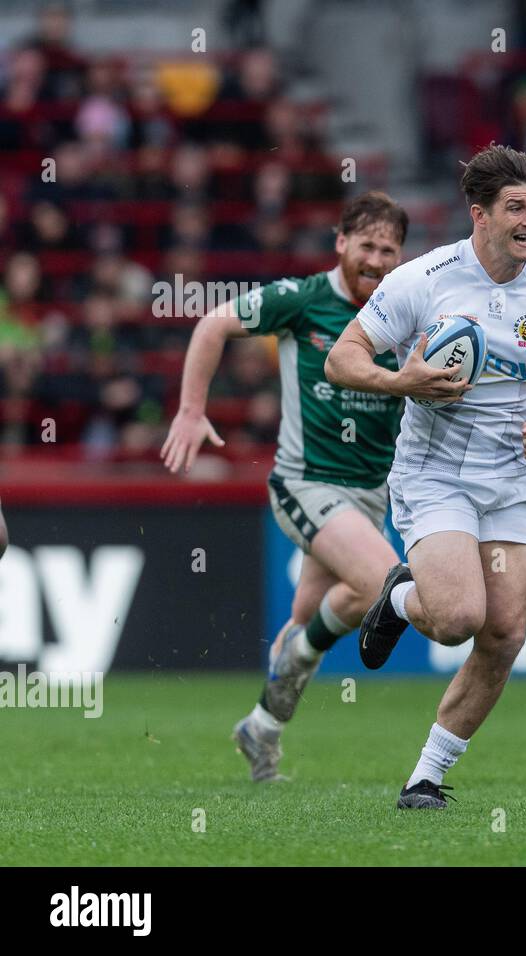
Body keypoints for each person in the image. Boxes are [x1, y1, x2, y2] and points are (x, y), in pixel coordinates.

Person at [324, 144, 526, 809]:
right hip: (435, 471)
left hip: (510, 477)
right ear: (480, 214)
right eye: (516, 208)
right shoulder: (424, 279)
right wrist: (401, 380)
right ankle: (396, 598)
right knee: (455, 620)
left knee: (504, 630)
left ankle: (425, 778)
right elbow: (342, 358)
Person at [161, 191, 412, 782]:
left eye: (390, 250)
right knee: (388, 583)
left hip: (371, 495)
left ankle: (262, 727)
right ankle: (288, 686)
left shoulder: (405, 313)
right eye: (367, 246)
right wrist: (192, 409)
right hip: (306, 484)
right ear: (341, 242)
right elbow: (213, 323)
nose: (377, 260)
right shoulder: (303, 299)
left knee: (309, 628)